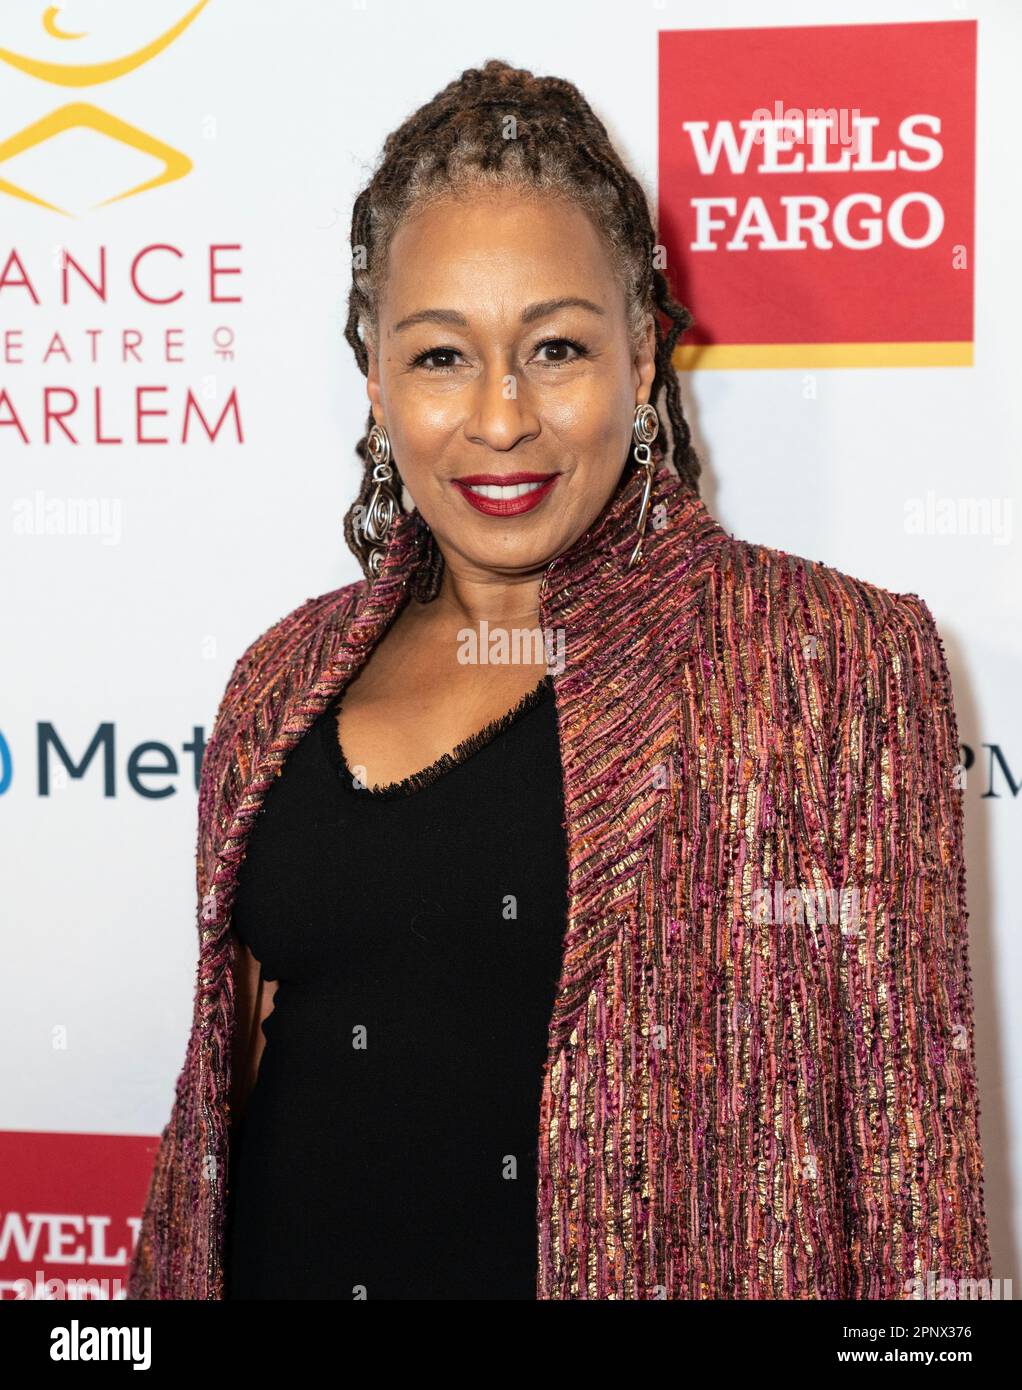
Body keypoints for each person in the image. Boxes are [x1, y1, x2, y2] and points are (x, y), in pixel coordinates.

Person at [127, 59, 991, 1300]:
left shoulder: (831, 663)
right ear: (373, 381)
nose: (499, 418)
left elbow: (920, 1201)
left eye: (556, 348)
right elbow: (222, 1127)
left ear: (642, 358)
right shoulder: (279, 681)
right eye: (439, 358)